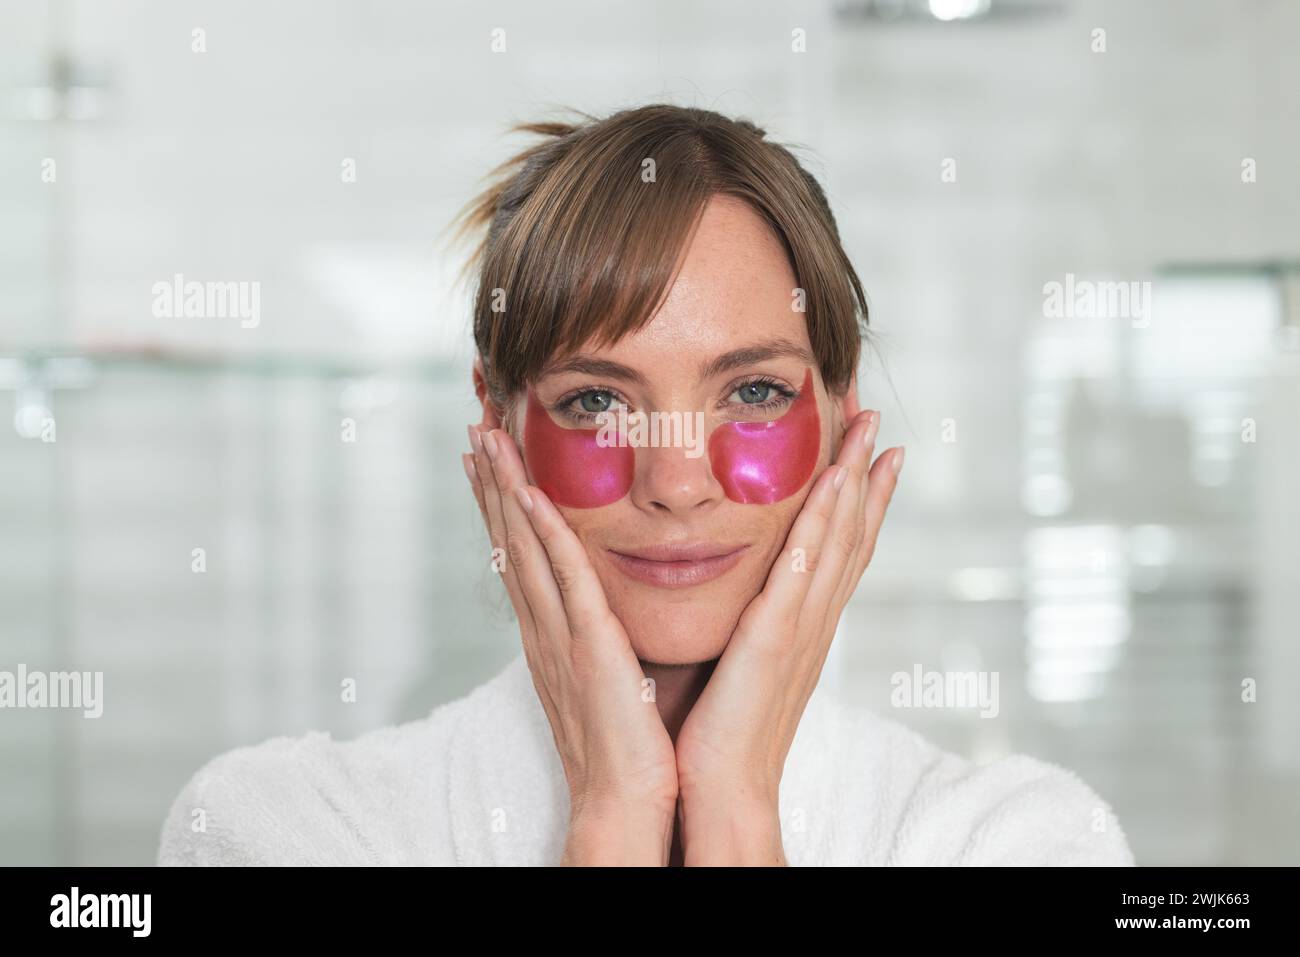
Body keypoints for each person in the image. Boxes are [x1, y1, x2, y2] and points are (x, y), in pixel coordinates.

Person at [158, 105, 1133, 866]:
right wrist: (612, 820)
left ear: (841, 415)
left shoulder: (1017, 843)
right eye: (592, 402)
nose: (675, 480)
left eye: (752, 392)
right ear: (496, 425)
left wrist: (738, 811)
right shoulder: (284, 832)